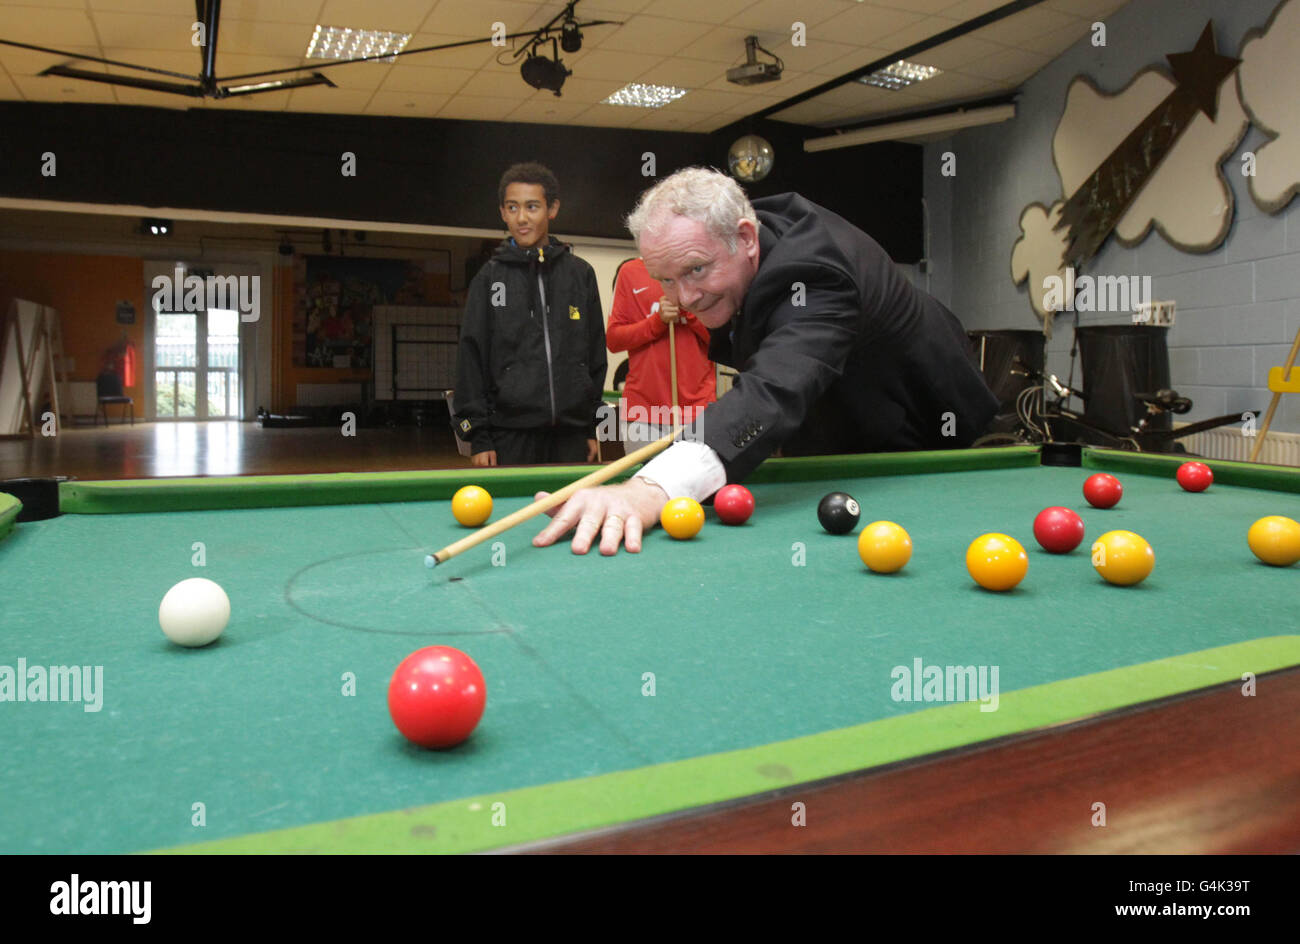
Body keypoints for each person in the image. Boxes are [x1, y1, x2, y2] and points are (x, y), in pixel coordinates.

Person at [533, 166, 998, 554]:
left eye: (696, 269)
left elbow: (774, 388)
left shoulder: (817, 273)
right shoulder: (749, 235)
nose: (686, 297)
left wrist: (648, 489)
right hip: (836, 418)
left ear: (745, 238)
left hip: (927, 431)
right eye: (666, 281)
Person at [452, 162, 607, 466]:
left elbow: (594, 355)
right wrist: (479, 436)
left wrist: (591, 426)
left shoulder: (580, 275)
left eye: (532, 206)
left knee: (571, 514)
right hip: (508, 436)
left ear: (552, 209)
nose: (521, 218)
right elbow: (471, 359)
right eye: (512, 208)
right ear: (502, 213)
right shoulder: (489, 278)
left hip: (571, 436)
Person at [606, 257, 715, 448]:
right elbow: (614, 340)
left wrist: (688, 311)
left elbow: (723, 340)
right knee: (644, 479)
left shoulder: (704, 270)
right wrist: (657, 322)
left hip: (698, 411)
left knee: (695, 479)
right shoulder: (630, 271)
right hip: (643, 412)